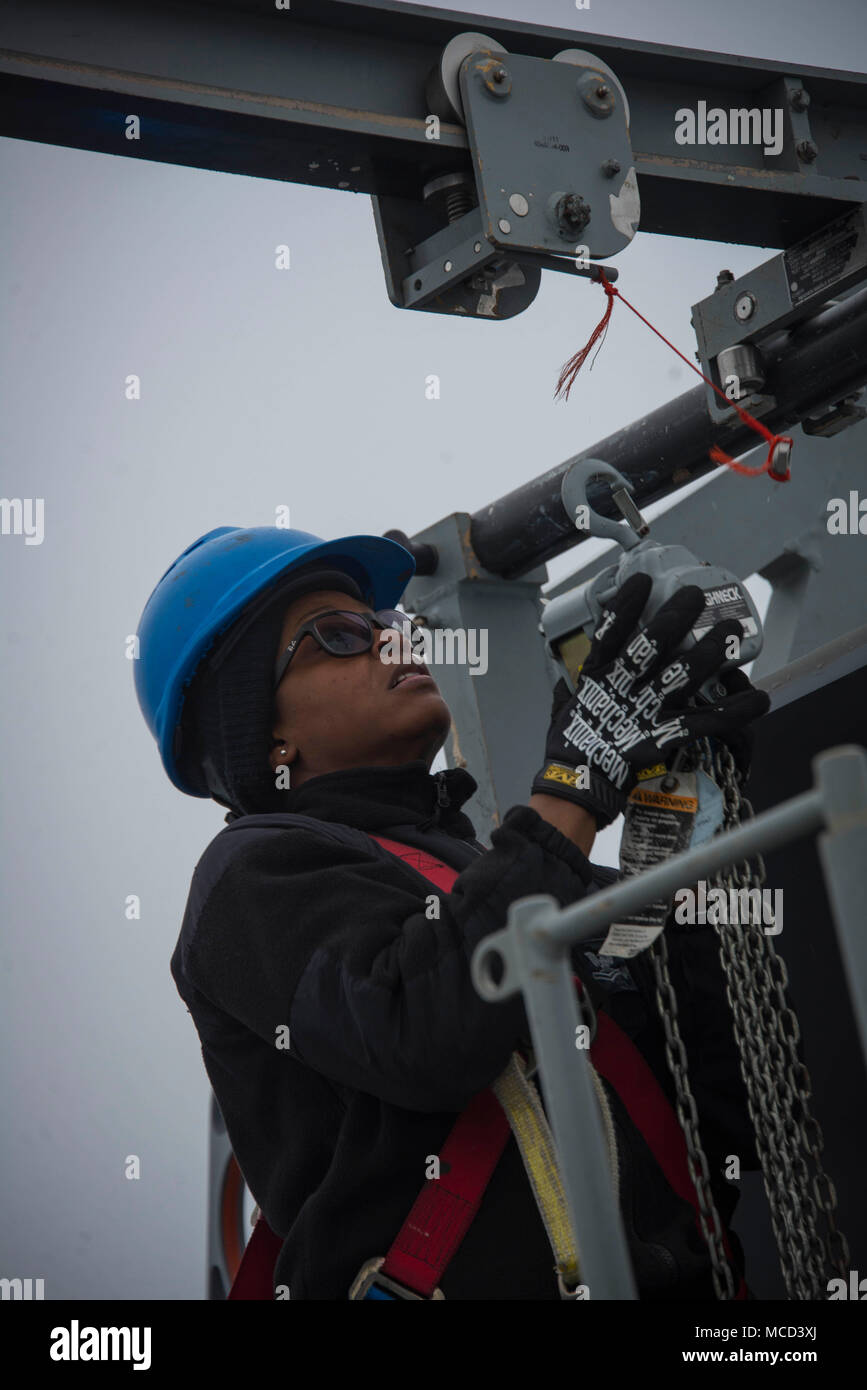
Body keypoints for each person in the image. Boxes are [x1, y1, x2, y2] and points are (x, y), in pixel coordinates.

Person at [134, 524, 770, 1300]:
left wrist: (680, 802)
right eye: (337, 636)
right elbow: (424, 1030)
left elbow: (723, 1099)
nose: (392, 645)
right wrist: (576, 778)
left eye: (391, 626)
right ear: (264, 729)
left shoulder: (492, 868)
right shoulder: (250, 878)